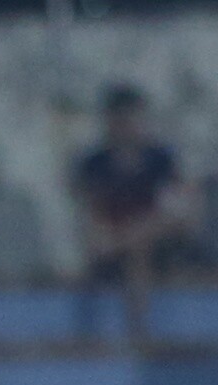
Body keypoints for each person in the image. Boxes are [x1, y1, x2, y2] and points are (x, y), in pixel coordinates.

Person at [72, 84, 184, 331]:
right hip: (108, 243)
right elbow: (88, 209)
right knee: (124, 247)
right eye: (119, 118)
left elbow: (175, 211)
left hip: (156, 242)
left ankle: (140, 325)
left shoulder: (160, 160)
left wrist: (134, 233)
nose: (126, 125)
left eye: (131, 117)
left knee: (139, 243)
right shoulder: (94, 164)